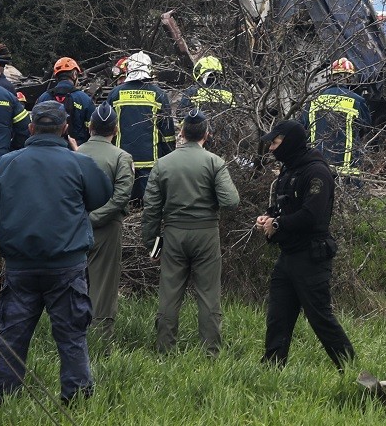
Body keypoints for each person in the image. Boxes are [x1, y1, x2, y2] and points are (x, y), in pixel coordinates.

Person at [0, 101, 113, 407]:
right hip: (67, 268)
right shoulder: (78, 163)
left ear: (30, 128)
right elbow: (102, 195)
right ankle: (77, 401)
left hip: (21, 268)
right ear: (64, 129)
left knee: (11, 337)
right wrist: (76, 157)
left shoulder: (6, 164)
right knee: (72, 338)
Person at [257, 121, 355, 368]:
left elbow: (311, 215)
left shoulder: (316, 172)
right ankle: (271, 369)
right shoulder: (290, 169)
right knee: (278, 317)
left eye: (275, 143)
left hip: (311, 257)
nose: (271, 148)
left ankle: (351, 368)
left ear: (289, 142)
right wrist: (269, 217)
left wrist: (278, 225)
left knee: (320, 318)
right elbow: (285, 206)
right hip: (288, 255)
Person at [141, 112, 240, 356]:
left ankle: (164, 350)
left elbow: (151, 208)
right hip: (206, 233)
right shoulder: (215, 162)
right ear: (206, 134)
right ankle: (211, 352)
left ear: (182, 133)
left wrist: (152, 243)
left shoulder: (163, 164)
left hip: (174, 234)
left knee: (170, 293)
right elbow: (231, 201)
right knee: (208, 295)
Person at [78, 103, 134, 332]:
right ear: (116, 130)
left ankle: (73, 328)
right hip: (107, 228)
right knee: (104, 284)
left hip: (75, 228)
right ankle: (101, 334)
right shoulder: (122, 157)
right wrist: (97, 217)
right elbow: (122, 197)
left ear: (90, 127)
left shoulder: (76, 153)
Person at [109, 51, 174, 197]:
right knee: (148, 204)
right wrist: (169, 158)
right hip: (150, 162)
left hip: (122, 161)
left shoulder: (115, 93)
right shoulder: (159, 94)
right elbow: (167, 133)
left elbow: (106, 127)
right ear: (149, 69)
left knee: (124, 201)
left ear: (129, 69)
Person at [308, 59, 369, 179]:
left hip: (316, 165)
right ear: (350, 78)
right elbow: (365, 127)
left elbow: (303, 126)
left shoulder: (314, 99)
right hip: (347, 168)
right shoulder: (357, 101)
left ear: (330, 77)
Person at [178, 56, 235, 145]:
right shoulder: (230, 93)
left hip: (198, 141)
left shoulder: (194, 91)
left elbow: (180, 114)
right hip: (224, 143)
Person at [38, 58, 95, 145]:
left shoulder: (44, 97)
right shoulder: (84, 99)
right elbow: (93, 129)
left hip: (48, 149)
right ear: (74, 74)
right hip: (76, 151)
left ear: (56, 76)